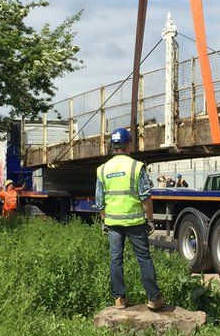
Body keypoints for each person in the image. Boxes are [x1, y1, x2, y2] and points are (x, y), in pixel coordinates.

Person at [96, 128, 165, 311]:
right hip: (135, 223)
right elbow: (145, 196)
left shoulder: (102, 169)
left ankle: (119, 299)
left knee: (115, 260)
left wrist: (104, 221)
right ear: (129, 145)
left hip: (113, 223)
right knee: (144, 259)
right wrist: (150, 220)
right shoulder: (136, 166)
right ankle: (154, 298)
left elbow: (99, 200)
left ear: (113, 146)